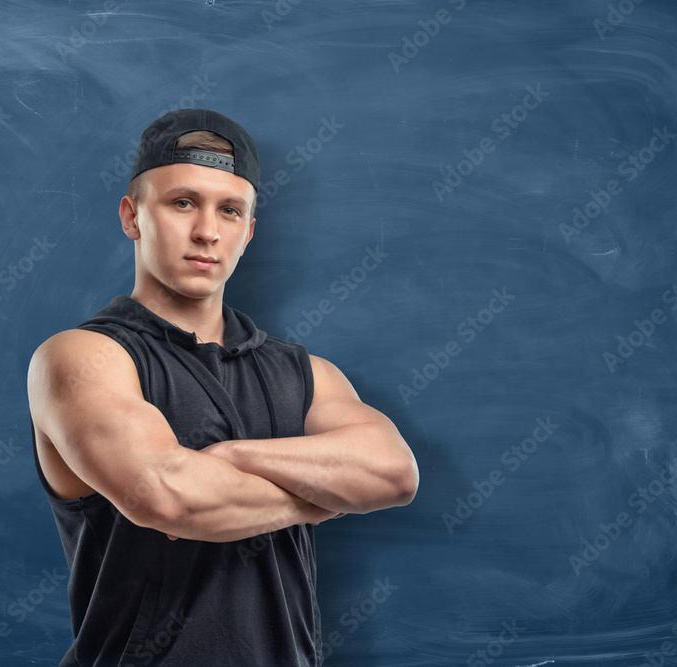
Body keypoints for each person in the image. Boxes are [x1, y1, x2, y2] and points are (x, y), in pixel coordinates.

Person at [27, 108, 419, 666]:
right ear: (132, 216)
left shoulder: (305, 374)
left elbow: (393, 473)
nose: (208, 230)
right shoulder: (83, 358)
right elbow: (170, 497)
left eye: (230, 210)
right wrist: (320, 498)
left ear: (249, 231)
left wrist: (231, 457)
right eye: (182, 202)